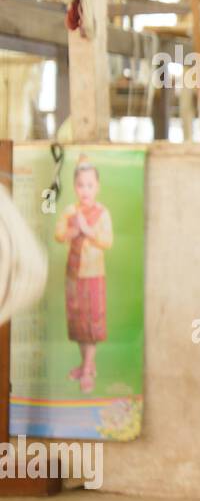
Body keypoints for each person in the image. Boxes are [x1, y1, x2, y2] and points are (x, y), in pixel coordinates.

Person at [54, 154, 113, 394]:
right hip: (73, 275)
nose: (85, 190)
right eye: (80, 185)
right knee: (78, 324)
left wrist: (87, 230)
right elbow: (58, 235)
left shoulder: (102, 213)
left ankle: (88, 369)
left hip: (93, 275)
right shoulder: (70, 211)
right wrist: (72, 230)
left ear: (97, 187)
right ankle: (87, 364)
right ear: (74, 186)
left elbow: (107, 242)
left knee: (92, 323)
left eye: (90, 185)